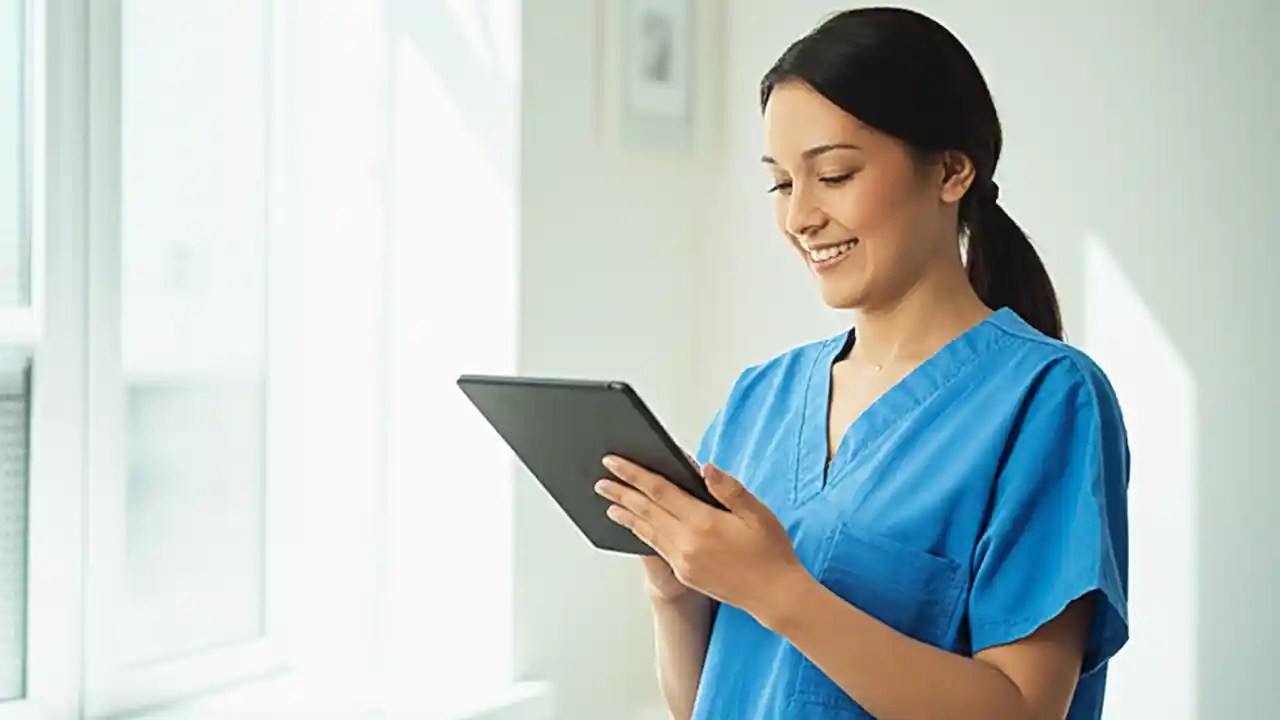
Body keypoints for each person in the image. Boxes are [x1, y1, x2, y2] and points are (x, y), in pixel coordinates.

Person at [592, 7, 1129, 720]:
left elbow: (1023, 709)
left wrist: (775, 590)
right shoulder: (760, 399)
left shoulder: (1048, 400)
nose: (799, 217)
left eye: (834, 175)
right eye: (782, 184)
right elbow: (717, 702)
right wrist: (675, 594)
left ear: (951, 170)